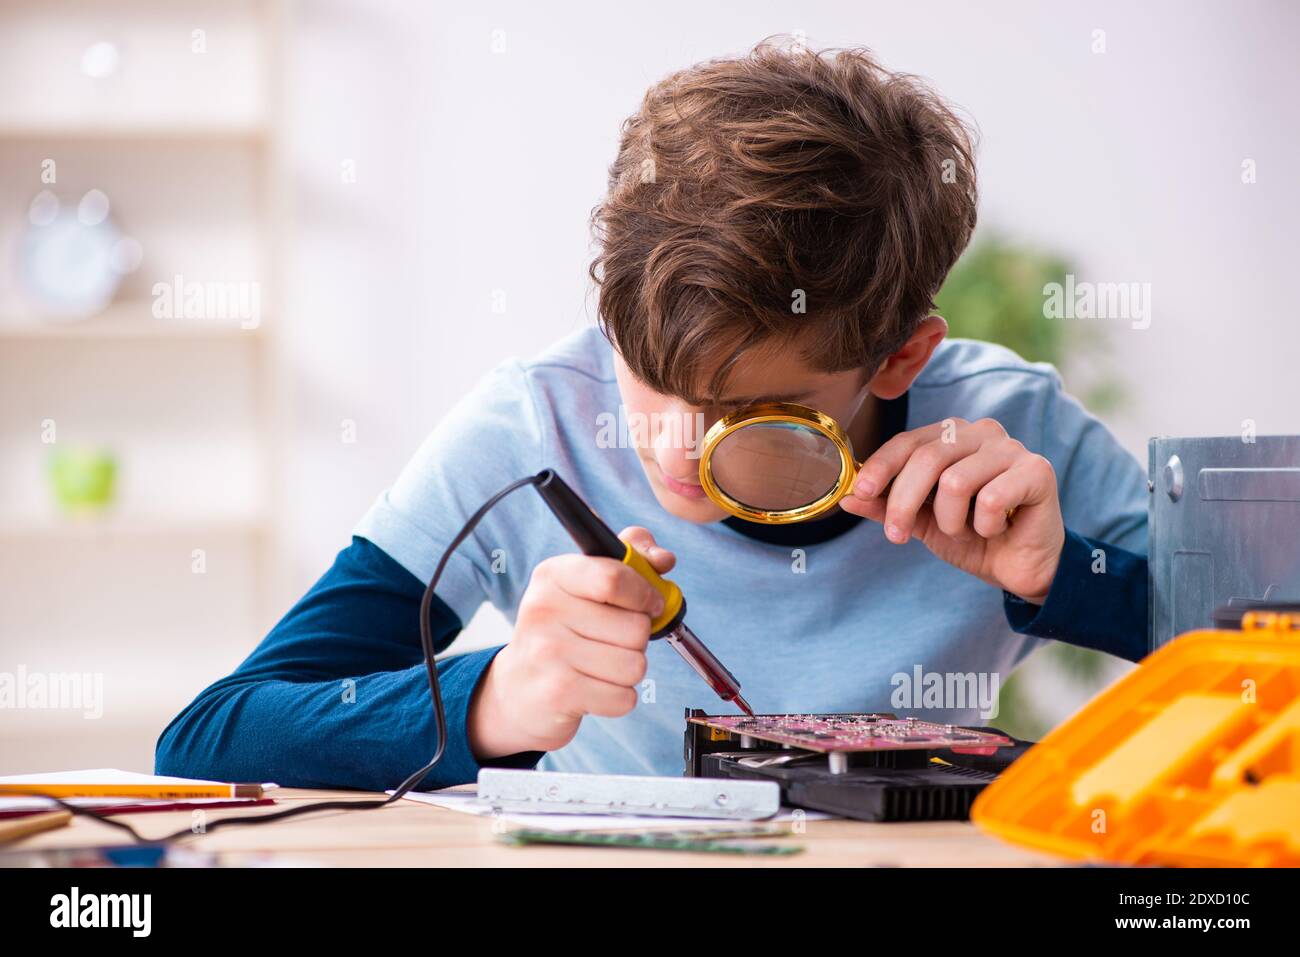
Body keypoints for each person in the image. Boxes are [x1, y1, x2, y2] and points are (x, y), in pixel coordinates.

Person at [157, 40, 1147, 790]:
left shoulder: (1012, 438)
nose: (673, 450)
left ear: (898, 360)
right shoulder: (531, 425)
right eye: (644, 373)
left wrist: (1073, 578)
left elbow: (1272, 668)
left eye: (752, 408)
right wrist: (490, 701)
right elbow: (211, 735)